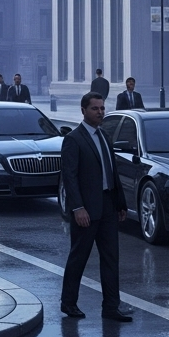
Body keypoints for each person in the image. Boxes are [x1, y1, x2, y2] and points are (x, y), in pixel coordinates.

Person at [60, 92, 133, 322]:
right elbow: (69, 177)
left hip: (109, 206)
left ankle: (111, 306)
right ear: (83, 111)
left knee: (111, 258)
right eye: (95, 108)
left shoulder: (104, 136)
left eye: (102, 108)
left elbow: (112, 172)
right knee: (79, 256)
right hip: (86, 210)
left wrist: (120, 203)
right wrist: (77, 208)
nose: (100, 112)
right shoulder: (74, 139)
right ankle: (69, 303)